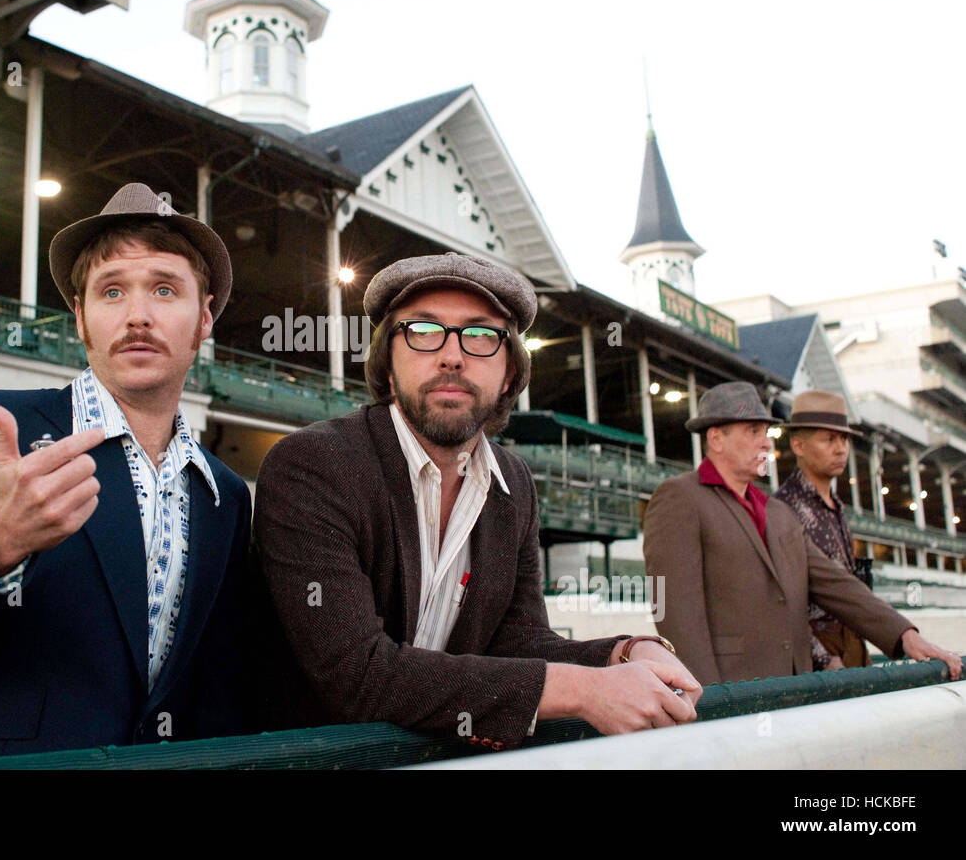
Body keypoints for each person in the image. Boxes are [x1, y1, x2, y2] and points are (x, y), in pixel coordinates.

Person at [253, 252, 703, 753]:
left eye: (481, 335)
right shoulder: (313, 464)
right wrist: (582, 690)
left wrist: (623, 652)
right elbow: (358, 674)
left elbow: (520, 644)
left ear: (510, 373)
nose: (451, 355)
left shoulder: (513, 482)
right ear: (388, 359)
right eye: (423, 331)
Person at [0, 183, 253, 761]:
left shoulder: (223, 492)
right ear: (80, 317)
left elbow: (215, 681)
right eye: (112, 290)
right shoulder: (5, 429)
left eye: (165, 290)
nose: (138, 316)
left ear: (204, 319)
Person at [642, 381, 961, 685]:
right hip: (730, 693)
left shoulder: (779, 513)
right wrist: (707, 698)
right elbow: (672, 611)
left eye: (766, 432)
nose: (766, 442)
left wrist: (906, 636)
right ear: (716, 439)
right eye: (753, 431)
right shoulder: (680, 497)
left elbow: (837, 584)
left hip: (797, 688)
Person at [774, 390, 870, 670]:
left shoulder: (837, 506)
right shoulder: (783, 508)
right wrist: (823, 658)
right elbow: (782, 600)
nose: (840, 448)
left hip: (851, 640)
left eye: (844, 438)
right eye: (829, 439)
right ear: (798, 446)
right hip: (817, 651)